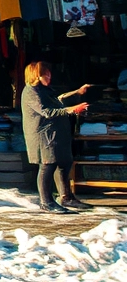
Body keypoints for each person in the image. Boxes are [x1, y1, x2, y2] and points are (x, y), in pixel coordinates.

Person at [22, 61, 93, 213]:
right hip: (44, 136)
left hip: (57, 135)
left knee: (64, 163)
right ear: (36, 75)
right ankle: (46, 202)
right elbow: (46, 111)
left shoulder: (45, 90)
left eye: (49, 73)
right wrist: (72, 110)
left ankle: (66, 197)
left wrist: (77, 93)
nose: (49, 76)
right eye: (45, 74)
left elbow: (59, 100)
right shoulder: (30, 92)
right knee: (47, 165)